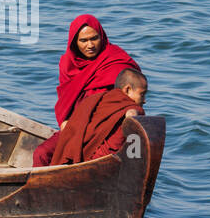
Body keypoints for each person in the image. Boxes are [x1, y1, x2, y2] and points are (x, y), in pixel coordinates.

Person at [31, 14, 139, 167]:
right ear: (75, 42)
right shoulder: (67, 64)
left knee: (94, 160)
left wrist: (131, 112)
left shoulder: (116, 60)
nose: (90, 45)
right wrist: (64, 121)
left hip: (107, 128)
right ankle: (39, 189)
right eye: (83, 40)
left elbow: (133, 94)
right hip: (77, 125)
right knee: (41, 153)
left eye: (94, 38)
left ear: (101, 36)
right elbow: (65, 100)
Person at [49, 69, 148, 165]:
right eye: (142, 94)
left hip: (74, 157)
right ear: (127, 89)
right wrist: (136, 114)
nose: (144, 100)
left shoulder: (97, 98)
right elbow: (132, 114)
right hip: (100, 163)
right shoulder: (132, 108)